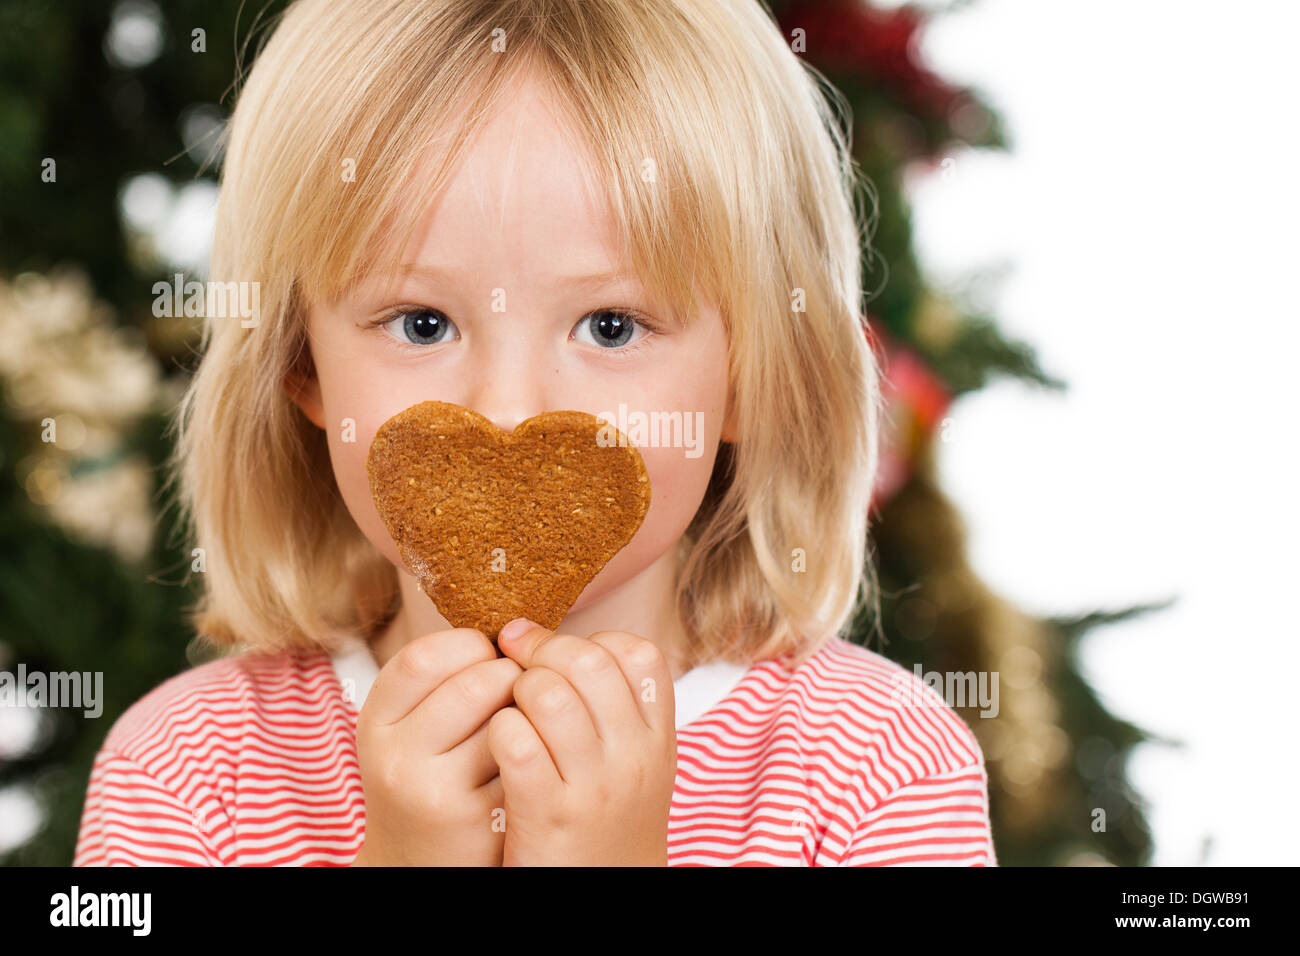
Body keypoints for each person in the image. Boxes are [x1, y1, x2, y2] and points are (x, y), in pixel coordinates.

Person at [74, 0, 996, 866]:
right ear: (300, 365)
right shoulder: (188, 775)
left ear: (753, 376)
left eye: (611, 326)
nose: (509, 413)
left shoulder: (877, 770)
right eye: (422, 324)